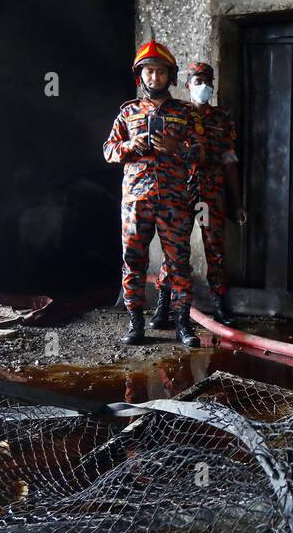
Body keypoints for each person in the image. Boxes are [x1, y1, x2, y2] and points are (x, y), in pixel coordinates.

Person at [102, 40, 203, 348]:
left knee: (178, 262)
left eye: (160, 72)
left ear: (170, 76)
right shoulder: (127, 113)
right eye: (148, 72)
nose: (154, 78)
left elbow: (200, 152)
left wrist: (178, 149)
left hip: (174, 200)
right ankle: (136, 324)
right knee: (133, 261)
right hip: (136, 202)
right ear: (140, 76)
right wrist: (131, 146)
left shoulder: (186, 113)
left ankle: (183, 325)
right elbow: (108, 151)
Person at [150, 61, 246, 327]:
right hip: (180, 190)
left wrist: (237, 203)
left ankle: (219, 304)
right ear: (187, 83)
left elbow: (229, 160)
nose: (203, 86)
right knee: (175, 249)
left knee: (215, 248)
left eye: (207, 81)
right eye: (197, 80)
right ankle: (163, 304)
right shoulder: (176, 114)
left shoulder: (222, 119)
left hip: (212, 192)